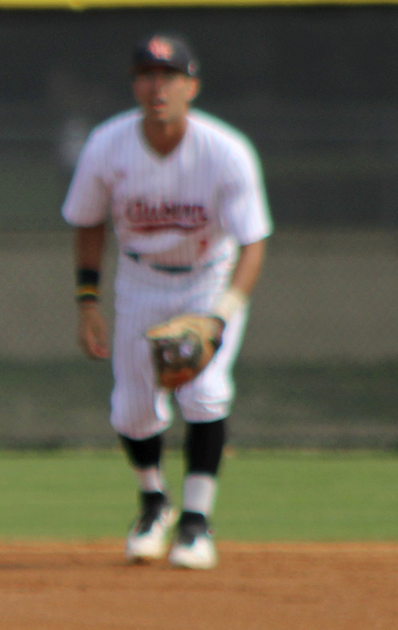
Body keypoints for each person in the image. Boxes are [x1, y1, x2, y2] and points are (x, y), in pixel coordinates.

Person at [61, 34, 271, 571]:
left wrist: (221, 314)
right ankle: (154, 503)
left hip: (208, 280)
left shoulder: (225, 151)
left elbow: (253, 240)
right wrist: (88, 302)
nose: (157, 86)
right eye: (146, 75)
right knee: (132, 410)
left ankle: (197, 522)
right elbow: (87, 222)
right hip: (140, 281)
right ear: (135, 85)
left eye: (170, 76)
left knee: (204, 392)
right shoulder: (108, 146)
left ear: (191, 86)